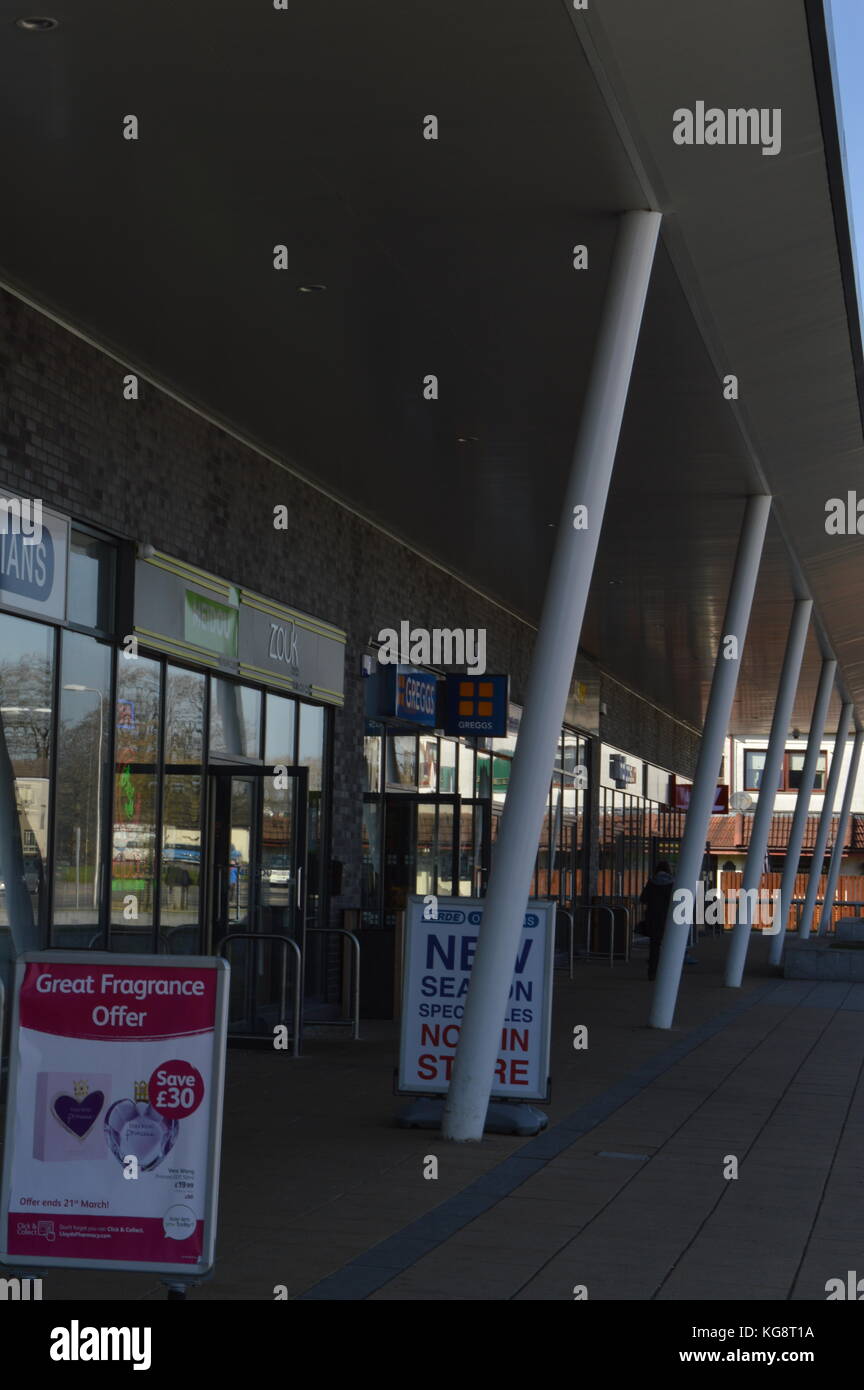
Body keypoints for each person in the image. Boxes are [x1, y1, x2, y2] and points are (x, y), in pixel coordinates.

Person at [640, 861, 675, 981]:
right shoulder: (672, 883)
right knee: (668, 945)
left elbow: (643, 898)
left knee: (654, 946)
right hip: (668, 918)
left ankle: (652, 972)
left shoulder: (652, 882)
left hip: (653, 917)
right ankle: (666, 972)